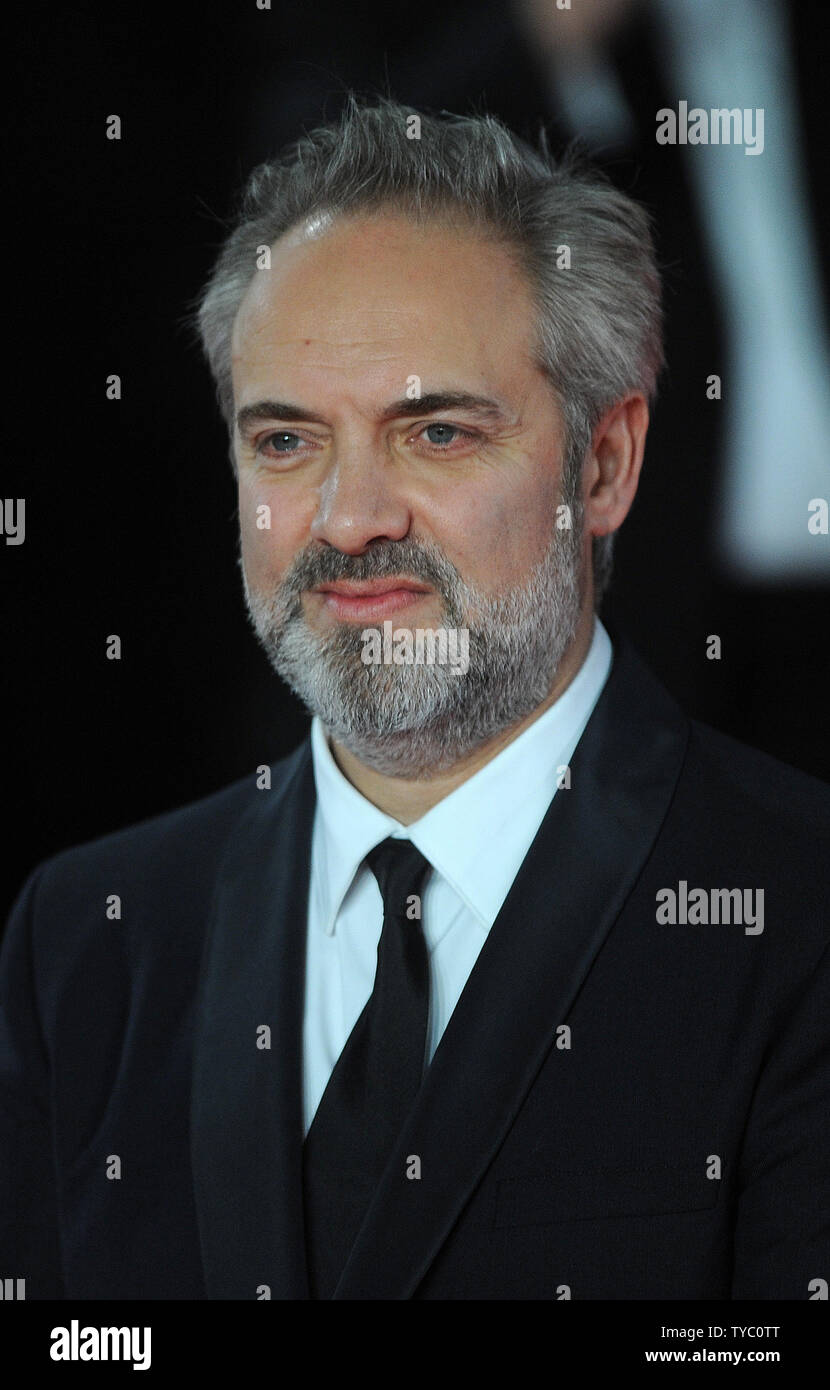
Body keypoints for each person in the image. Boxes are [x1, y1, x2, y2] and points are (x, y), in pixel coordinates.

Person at [1, 96, 828, 1301]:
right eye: (285, 442)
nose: (348, 521)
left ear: (601, 465)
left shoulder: (800, 915)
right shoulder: (84, 938)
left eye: (434, 432)